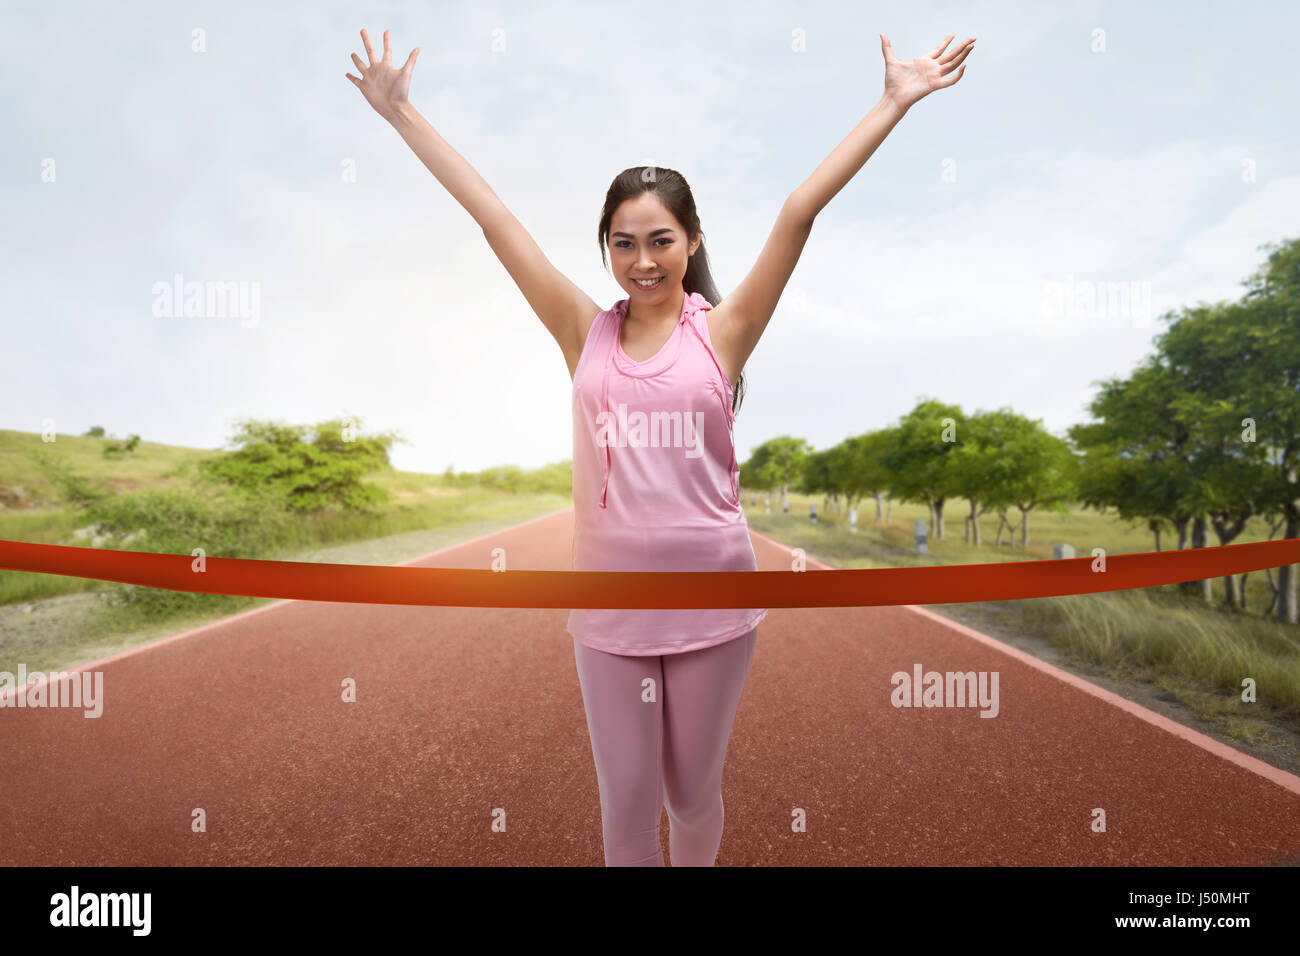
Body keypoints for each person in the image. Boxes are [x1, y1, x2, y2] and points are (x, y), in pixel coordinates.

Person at [346, 26, 975, 865]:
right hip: (608, 608)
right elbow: (495, 218)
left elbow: (799, 210)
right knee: (628, 801)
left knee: (690, 793)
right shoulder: (582, 330)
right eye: (623, 242)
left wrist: (894, 101)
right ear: (605, 247)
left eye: (660, 240)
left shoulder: (727, 334)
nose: (642, 261)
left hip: (714, 601)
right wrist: (401, 116)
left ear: (692, 242)